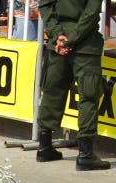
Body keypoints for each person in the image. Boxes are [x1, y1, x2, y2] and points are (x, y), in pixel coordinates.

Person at [36, 0, 110, 170]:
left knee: (52, 92)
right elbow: (91, 13)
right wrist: (71, 39)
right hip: (84, 45)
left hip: (58, 44)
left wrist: (58, 36)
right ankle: (85, 154)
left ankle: (44, 146)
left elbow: (45, 5)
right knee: (88, 96)